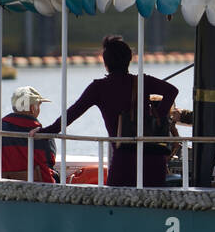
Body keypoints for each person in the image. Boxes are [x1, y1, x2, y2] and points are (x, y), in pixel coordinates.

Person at [40, 35, 178, 187]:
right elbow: (172, 90)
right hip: (154, 161)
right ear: (129, 60)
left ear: (106, 64)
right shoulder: (142, 82)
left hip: (124, 162)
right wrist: (158, 113)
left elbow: (71, 114)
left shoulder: (99, 88)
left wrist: (44, 132)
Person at [0, 86, 58, 182]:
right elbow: (49, 164)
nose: (39, 109)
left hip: (3, 188)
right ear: (32, 108)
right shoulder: (43, 135)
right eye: (39, 105)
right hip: (39, 189)